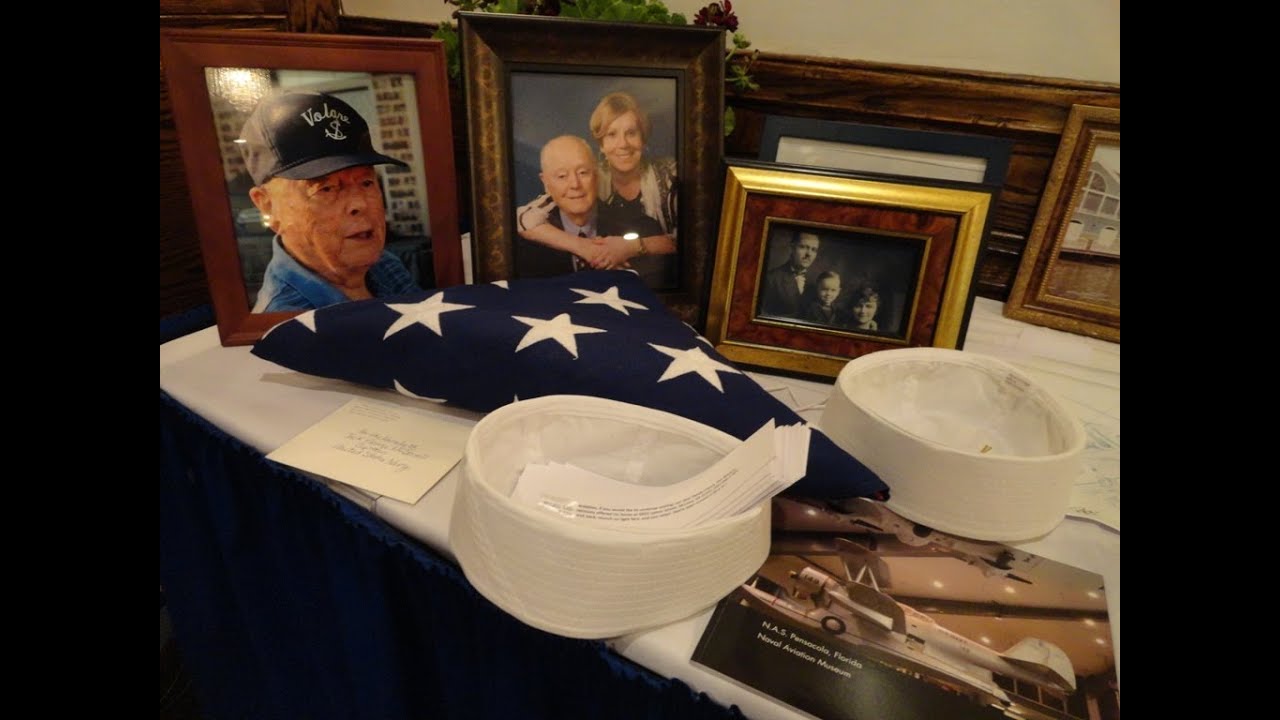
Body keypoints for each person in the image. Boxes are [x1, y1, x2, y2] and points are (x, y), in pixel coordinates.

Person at [239, 91, 420, 313]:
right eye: (326, 189)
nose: (360, 204)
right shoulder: (289, 322)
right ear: (267, 205)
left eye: (366, 183)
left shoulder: (382, 264)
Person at [516, 91, 677, 286]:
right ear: (601, 144)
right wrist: (585, 248)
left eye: (631, 133)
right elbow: (524, 217)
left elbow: (691, 243)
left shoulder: (670, 177)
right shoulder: (593, 176)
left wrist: (632, 247)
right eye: (611, 134)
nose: (622, 144)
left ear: (643, 139)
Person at [516, 135, 663, 279]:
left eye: (583, 173)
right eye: (562, 176)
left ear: (596, 174)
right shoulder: (524, 244)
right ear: (545, 182)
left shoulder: (641, 227)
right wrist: (585, 247)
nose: (575, 184)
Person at [760, 231, 821, 318]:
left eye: (814, 250)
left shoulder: (817, 281)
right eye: (803, 247)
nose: (809, 254)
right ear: (792, 248)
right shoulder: (771, 278)